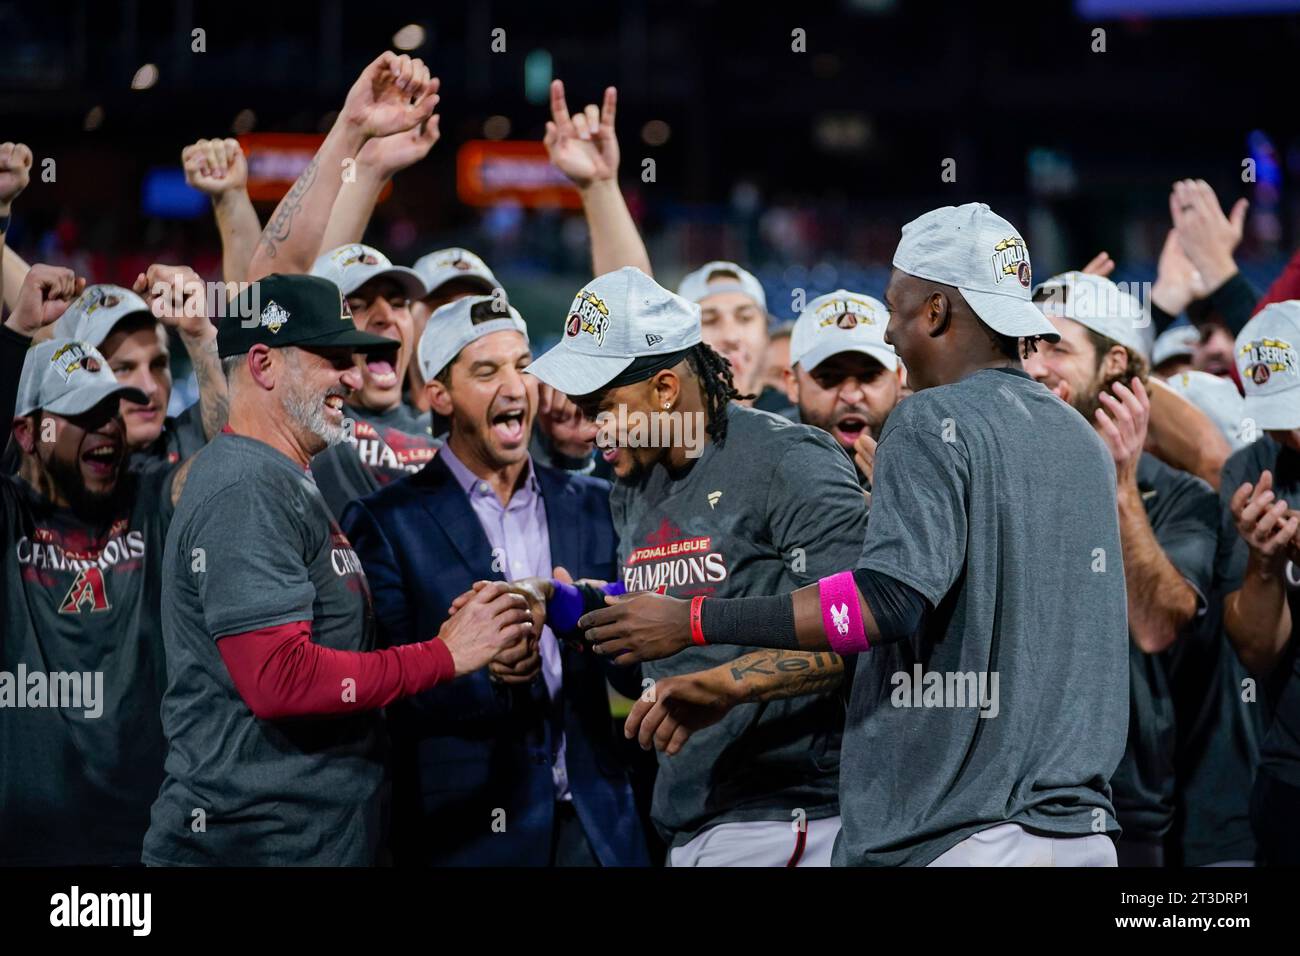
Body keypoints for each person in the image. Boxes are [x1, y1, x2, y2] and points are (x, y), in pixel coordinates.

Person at [597, 204, 1129, 867]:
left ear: (934, 312)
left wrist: (697, 621)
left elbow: (884, 604)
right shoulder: (1082, 439)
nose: (888, 328)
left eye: (895, 306)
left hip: (962, 833)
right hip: (1082, 832)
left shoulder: (927, 418)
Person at [142, 273, 534, 866]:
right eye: (332, 359)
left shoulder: (286, 476)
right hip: (247, 847)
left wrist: (467, 636)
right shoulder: (246, 486)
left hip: (306, 842)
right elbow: (281, 681)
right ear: (264, 364)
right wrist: (445, 655)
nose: (353, 379)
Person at [522, 265, 868, 866]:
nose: (589, 426)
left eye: (603, 405)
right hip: (690, 815)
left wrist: (724, 684)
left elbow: (858, 627)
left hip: (793, 814)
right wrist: (578, 611)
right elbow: (661, 654)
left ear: (663, 390)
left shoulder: (787, 460)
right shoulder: (632, 482)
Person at [341, 294, 648, 866]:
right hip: (468, 835)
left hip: (600, 829)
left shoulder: (599, 505)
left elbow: (638, 677)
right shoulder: (386, 522)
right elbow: (385, 693)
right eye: (487, 371)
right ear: (439, 395)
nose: (514, 387)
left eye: (522, 365)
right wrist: (488, 670)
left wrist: (601, 630)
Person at [0, 264, 194, 866]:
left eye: (111, 409)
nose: (106, 427)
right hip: (25, 848)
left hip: (146, 843)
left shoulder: (151, 494)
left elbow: (234, 459)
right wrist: (14, 332)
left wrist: (205, 340)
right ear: (29, 435)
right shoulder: (8, 516)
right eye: (83, 414)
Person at [1025, 270, 1220, 866]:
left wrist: (1118, 486)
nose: (1033, 366)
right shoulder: (1002, 476)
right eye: (1027, 346)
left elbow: (1158, 625)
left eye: (1056, 347)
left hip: (1123, 809)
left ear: (1114, 363)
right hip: (996, 803)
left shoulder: (1182, 498)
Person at [1219, 301, 1300, 865]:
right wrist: (1263, 562)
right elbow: (1257, 652)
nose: (1292, 429)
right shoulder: (1252, 467)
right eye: (1279, 412)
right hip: (1291, 772)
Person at [307, 242, 438, 518]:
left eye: (397, 303)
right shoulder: (310, 433)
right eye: (356, 305)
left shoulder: (448, 431)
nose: (385, 316)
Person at [52, 266, 226, 467]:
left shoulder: (190, 444)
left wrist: (199, 334)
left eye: (158, 365)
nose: (149, 387)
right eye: (123, 369)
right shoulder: (47, 467)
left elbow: (233, 445)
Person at [783, 290, 902, 487]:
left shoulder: (936, 464)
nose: (852, 396)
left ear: (898, 380)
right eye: (828, 377)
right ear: (793, 385)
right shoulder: (761, 469)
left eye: (869, 376)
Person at [408, 247, 500, 411]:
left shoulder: (525, 423)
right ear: (407, 316)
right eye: (443, 307)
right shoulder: (366, 426)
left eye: (476, 309)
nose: (461, 323)